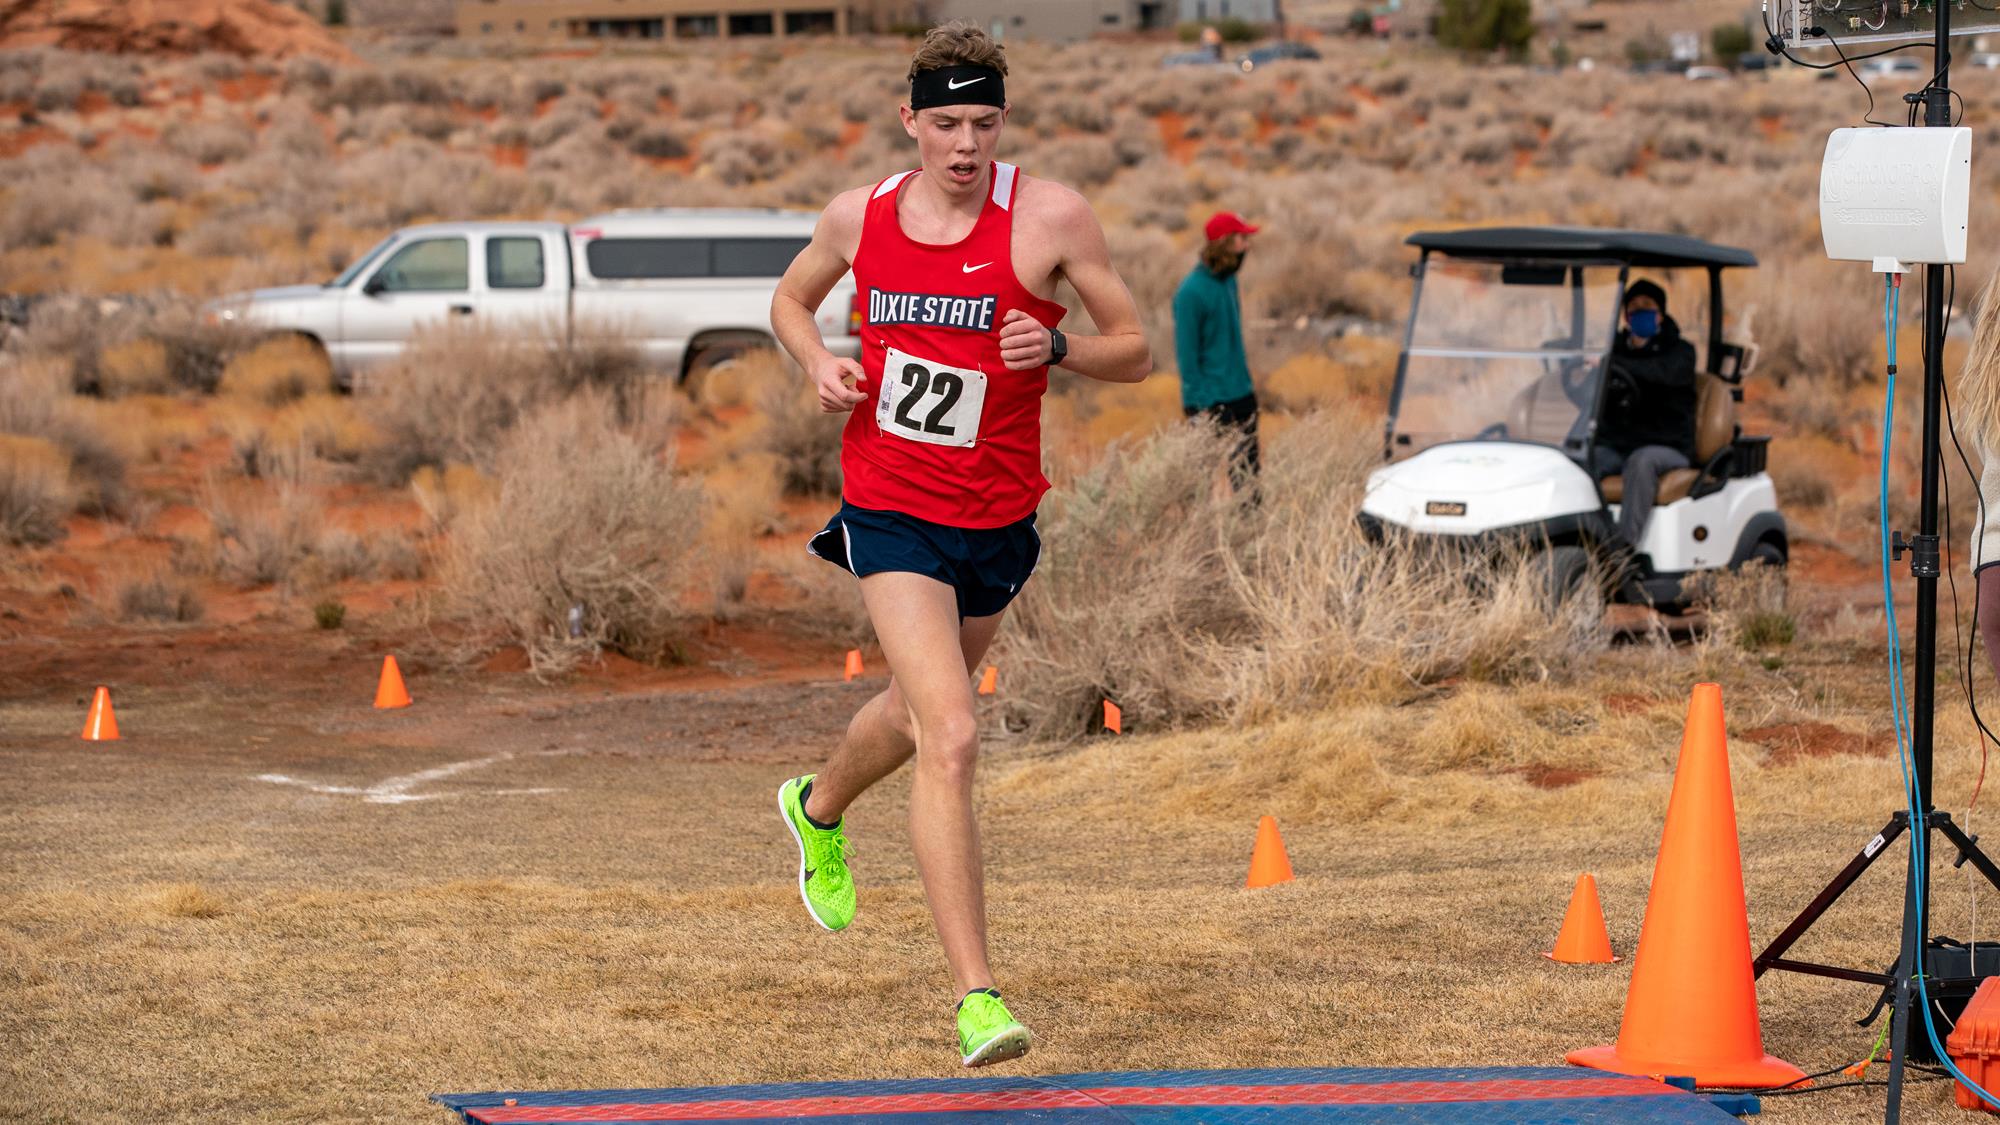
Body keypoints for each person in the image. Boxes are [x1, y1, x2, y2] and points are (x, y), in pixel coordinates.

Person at [766, 21, 1151, 1069]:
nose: (965, 143)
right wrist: (815, 363)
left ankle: (818, 805)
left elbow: (1136, 349)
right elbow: (789, 301)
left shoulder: (1052, 217)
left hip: (996, 516)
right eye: (944, 123)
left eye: (983, 122)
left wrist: (1062, 345)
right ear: (910, 122)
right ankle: (978, 996)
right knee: (953, 733)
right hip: (888, 504)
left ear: (1001, 123)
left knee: (907, 711)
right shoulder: (861, 216)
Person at [1593, 278, 1698, 556]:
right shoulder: (1613, 348)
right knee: (1587, 461)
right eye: (1634, 307)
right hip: (1620, 444)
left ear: (1660, 314)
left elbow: (1660, 373)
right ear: (1626, 314)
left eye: (1647, 307)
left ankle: (1624, 550)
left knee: (1641, 462)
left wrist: (1611, 364)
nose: (1640, 312)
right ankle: (1587, 536)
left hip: (1669, 446)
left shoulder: (1681, 352)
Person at [1173, 211, 1261, 490]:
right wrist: (1199, 408)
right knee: (1201, 482)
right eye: (1241, 238)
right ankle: (1202, 534)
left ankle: (1250, 530)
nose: (1247, 245)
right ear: (1224, 243)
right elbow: (1187, 358)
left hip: (1241, 393)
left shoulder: (1229, 282)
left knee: (1247, 478)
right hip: (1209, 402)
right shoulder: (1190, 292)